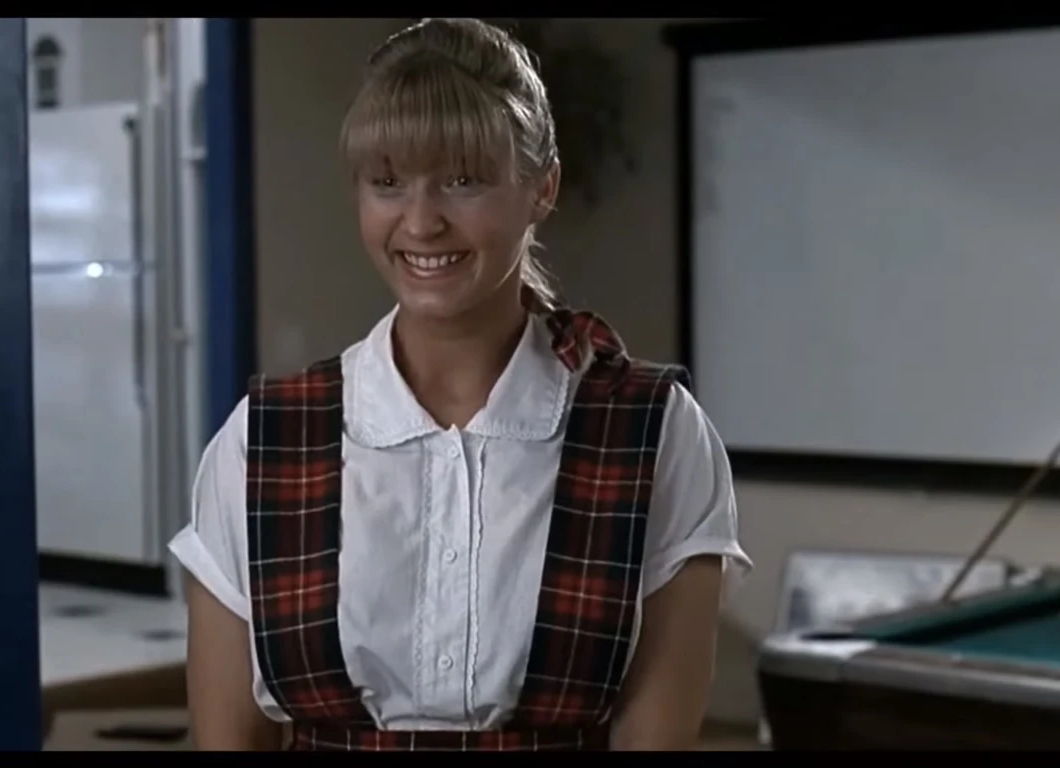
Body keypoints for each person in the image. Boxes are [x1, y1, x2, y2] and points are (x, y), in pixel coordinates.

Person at [169, 17, 752, 752]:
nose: (420, 222)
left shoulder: (651, 430)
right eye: (388, 183)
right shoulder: (264, 440)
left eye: (463, 181)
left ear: (543, 188)